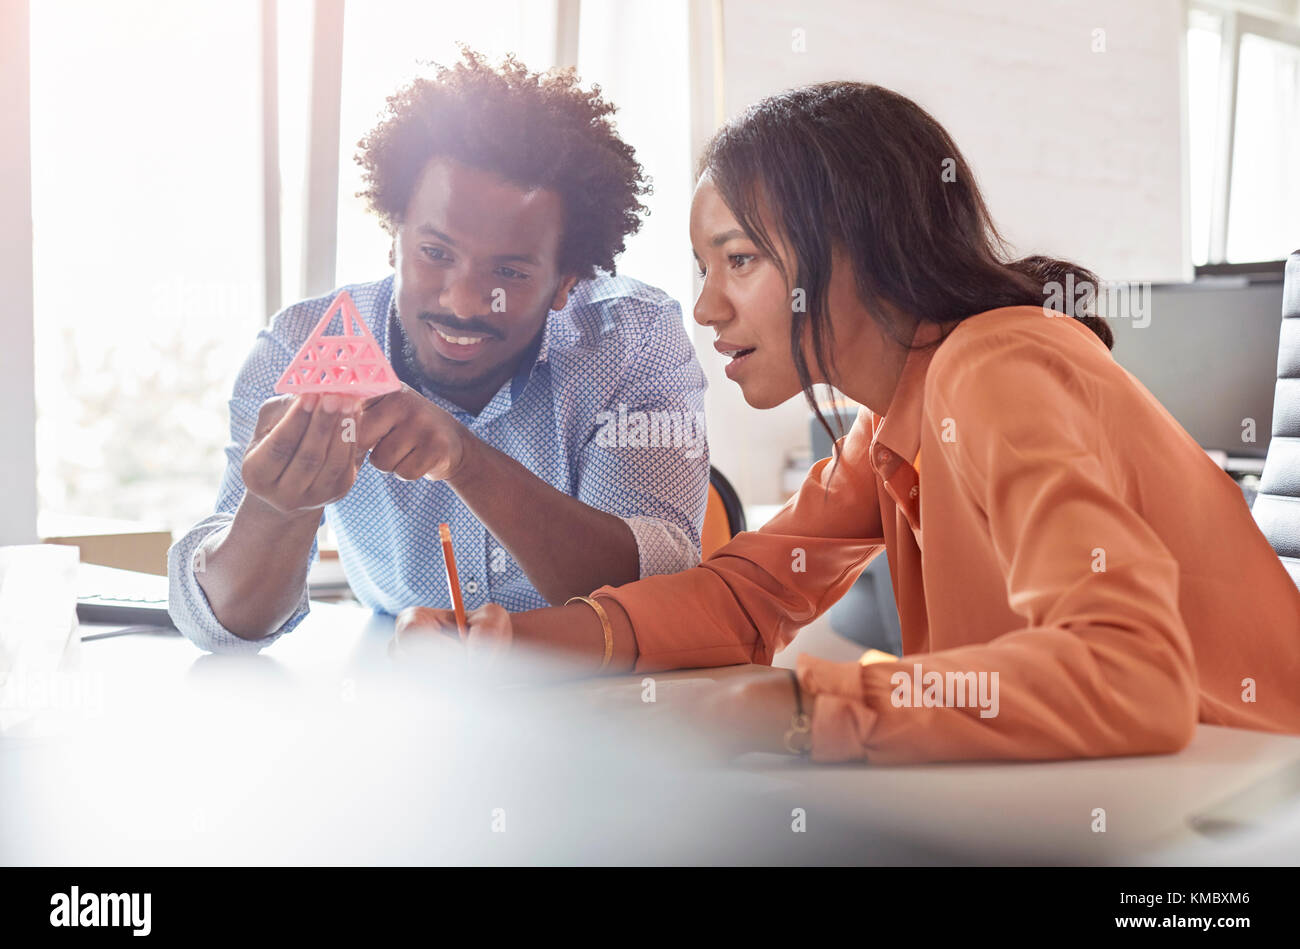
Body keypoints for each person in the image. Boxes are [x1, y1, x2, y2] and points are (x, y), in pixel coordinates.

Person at [396, 81, 1300, 764]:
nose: (705, 308)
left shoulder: (996, 366)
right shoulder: (894, 421)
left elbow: (1131, 676)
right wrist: (509, 643)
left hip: (1245, 803)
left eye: (738, 260)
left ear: (858, 248)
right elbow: (744, 598)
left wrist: (800, 709)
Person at [168, 51, 709, 653]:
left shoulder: (634, 340)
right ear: (393, 240)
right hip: (401, 687)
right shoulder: (302, 344)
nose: (463, 302)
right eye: (435, 253)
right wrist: (277, 509)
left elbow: (658, 595)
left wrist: (467, 460)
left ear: (567, 281)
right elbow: (225, 628)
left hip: (596, 689)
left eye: (509, 271)